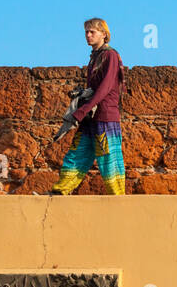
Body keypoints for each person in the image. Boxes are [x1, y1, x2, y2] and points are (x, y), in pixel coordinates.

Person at [51, 17, 126, 195]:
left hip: (105, 117)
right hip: (90, 118)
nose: (88, 35)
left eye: (92, 31)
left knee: (109, 160)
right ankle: (60, 191)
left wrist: (83, 109)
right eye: (86, 31)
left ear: (104, 34)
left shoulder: (110, 55)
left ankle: (119, 200)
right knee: (77, 154)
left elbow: (106, 87)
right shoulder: (94, 58)